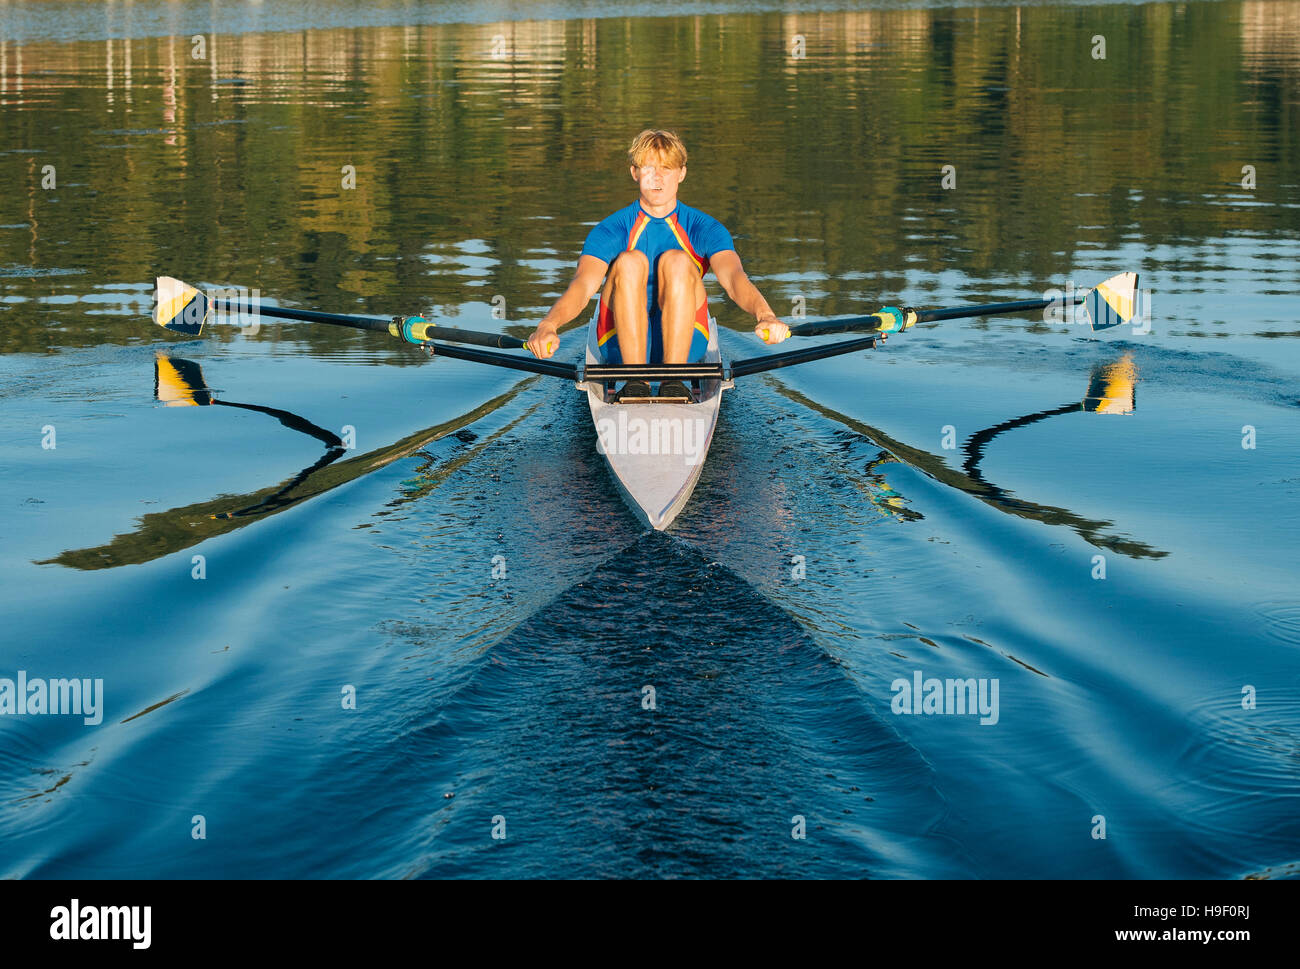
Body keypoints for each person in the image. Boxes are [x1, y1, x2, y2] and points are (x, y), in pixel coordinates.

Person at [526, 129, 790, 399]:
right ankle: (634, 381)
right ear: (634, 173)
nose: (658, 177)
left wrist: (765, 314)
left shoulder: (705, 228)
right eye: (649, 167)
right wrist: (549, 325)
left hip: (689, 344)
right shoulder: (611, 229)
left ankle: (673, 382)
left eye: (667, 167)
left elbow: (734, 279)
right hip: (616, 342)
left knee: (677, 261)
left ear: (682, 173)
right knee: (630, 262)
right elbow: (582, 287)